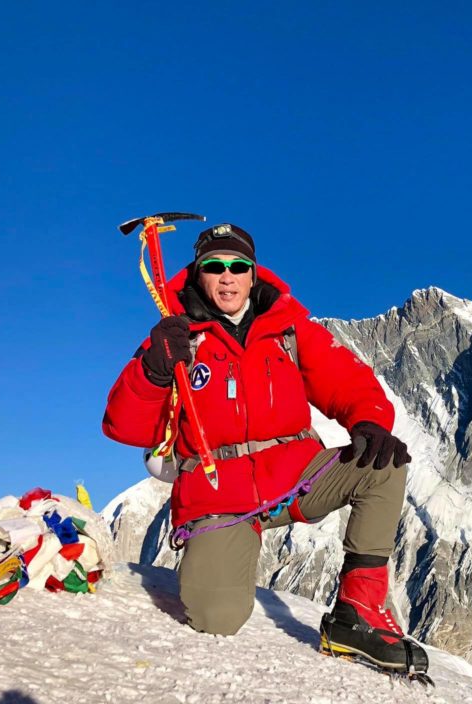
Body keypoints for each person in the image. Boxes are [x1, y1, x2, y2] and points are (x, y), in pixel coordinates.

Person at [102, 223, 427, 673]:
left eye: (238, 266)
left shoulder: (288, 330)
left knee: (383, 462)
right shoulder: (175, 340)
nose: (228, 276)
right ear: (197, 274)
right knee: (217, 617)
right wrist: (153, 370)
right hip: (219, 494)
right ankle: (217, 559)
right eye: (215, 266)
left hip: (296, 477)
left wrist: (369, 421)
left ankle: (357, 614)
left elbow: (349, 380)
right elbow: (123, 425)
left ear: (253, 274)